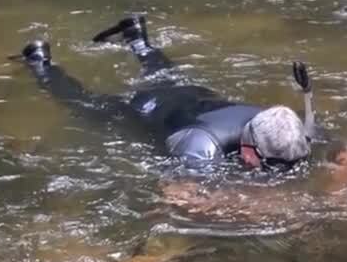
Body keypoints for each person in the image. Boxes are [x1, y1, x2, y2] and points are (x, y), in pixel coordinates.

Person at [17, 14, 315, 171]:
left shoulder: (288, 134)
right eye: (266, 164)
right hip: (149, 107)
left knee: (165, 75)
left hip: (194, 96)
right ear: (247, 145)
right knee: (85, 104)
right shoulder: (201, 146)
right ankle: (40, 63)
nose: (275, 172)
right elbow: (183, 196)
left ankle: (136, 34)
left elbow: (331, 146)